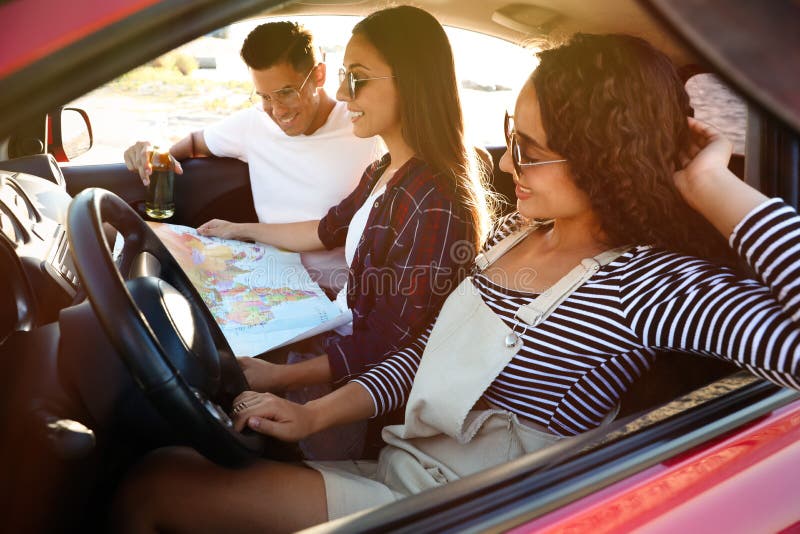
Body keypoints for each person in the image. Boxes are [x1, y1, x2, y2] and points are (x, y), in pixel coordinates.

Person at [113, 33, 800, 532]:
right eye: (510, 136)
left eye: (529, 151)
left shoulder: (650, 285)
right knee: (169, 462)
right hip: (402, 474)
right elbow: (429, 354)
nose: (507, 167)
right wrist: (314, 413)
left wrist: (710, 184)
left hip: (475, 509)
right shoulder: (519, 233)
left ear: (602, 160)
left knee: (158, 489)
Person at [194, 3, 492, 460]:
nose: (340, 91)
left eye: (357, 77)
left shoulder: (436, 201)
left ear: (411, 81)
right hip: (333, 341)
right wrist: (240, 230)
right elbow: (327, 228)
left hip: (357, 394)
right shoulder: (385, 169)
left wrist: (279, 378)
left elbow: (388, 343)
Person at [123, 21, 380, 224]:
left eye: (286, 93)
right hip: (265, 273)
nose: (277, 111)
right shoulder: (253, 123)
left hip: (337, 283)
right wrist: (154, 151)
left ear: (319, 75)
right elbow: (193, 142)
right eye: (265, 97)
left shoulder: (364, 125)